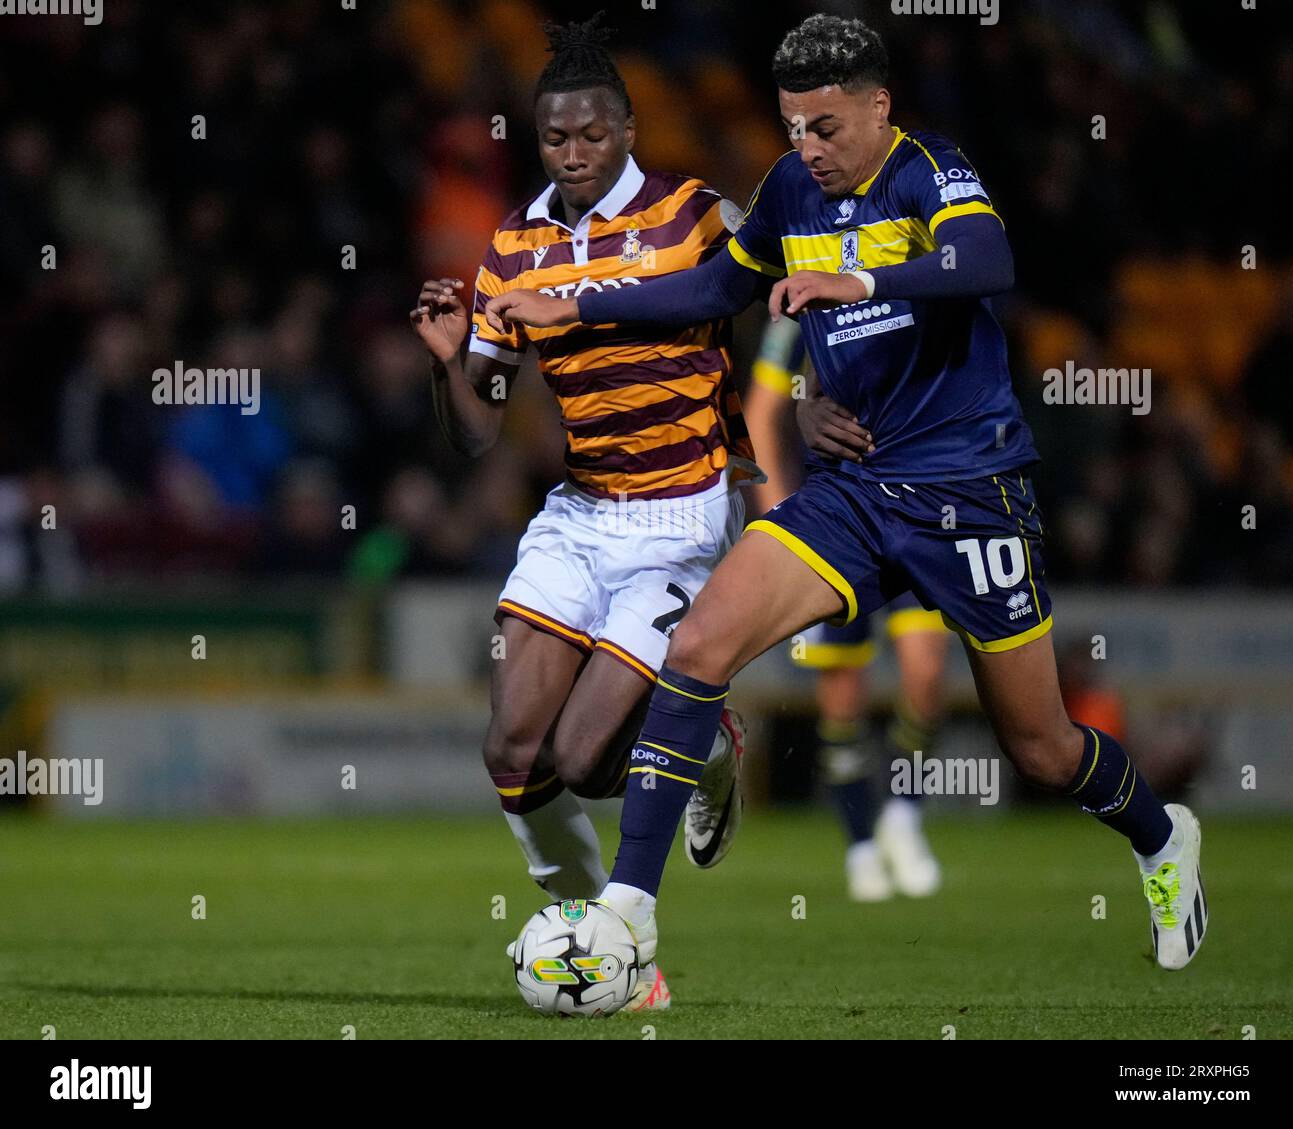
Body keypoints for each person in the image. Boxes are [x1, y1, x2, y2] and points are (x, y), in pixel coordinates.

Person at [486, 14, 1209, 983]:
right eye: (792, 127)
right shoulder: (788, 191)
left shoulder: (928, 171)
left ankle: (1162, 840)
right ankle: (631, 911)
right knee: (698, 645)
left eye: (825, 127)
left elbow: (986, 266)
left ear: (878, 107)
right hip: (856, 488)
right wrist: (574, 305)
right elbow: (707, 292)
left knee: (1040, 747)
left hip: (967, 489)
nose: (806, 149)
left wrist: (853, 275)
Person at [410, 15, 758, 1012]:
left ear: (626, 127)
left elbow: (770, 292)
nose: (571, 152)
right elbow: (477, 430)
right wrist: (450, 369)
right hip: (579, 514)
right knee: (512, 751)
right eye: (555, 138)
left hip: (681, 517)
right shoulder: (514, 248)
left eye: (590, 134)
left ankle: (704, 748)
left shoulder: (694, 213)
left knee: (582, 755)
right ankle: (597, 950)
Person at [746, 317, 948, 901]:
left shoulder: (900, 291)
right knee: (841, 699)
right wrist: (780, 511)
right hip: (835, 521)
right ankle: (860, 844)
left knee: (927, 672)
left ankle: (904, 815)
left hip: (909, 514)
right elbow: (761, 415)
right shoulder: (795, 318)